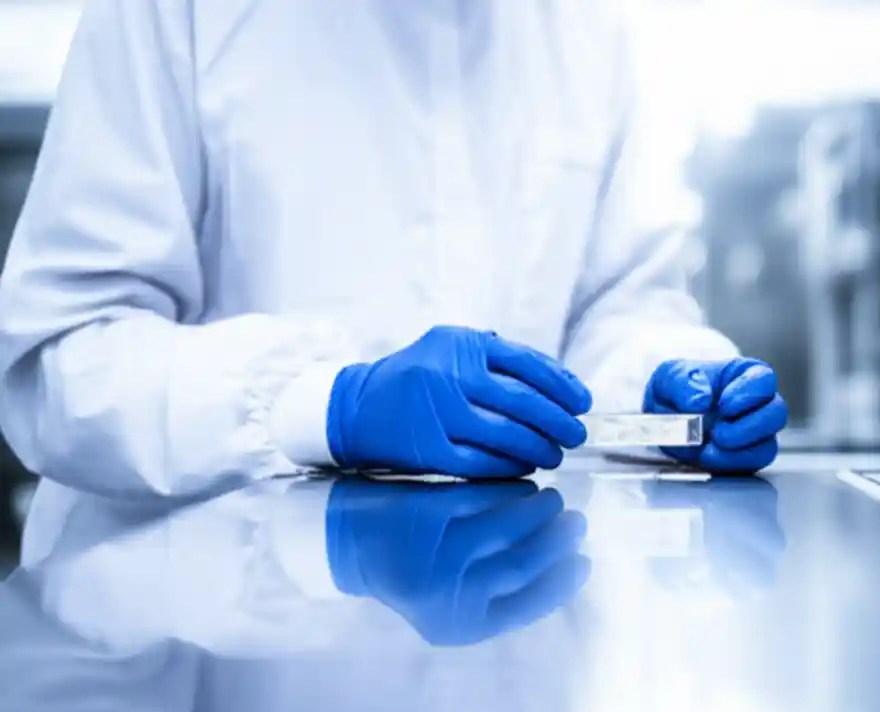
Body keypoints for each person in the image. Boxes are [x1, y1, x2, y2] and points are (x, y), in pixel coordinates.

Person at [0, 1, 788, 562]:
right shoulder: (177, 13)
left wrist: (660, 389)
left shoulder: (588, 29)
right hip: (190, 626)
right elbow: (64, 358)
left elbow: (616, 302)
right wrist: (328, 405)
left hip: (514, 637)